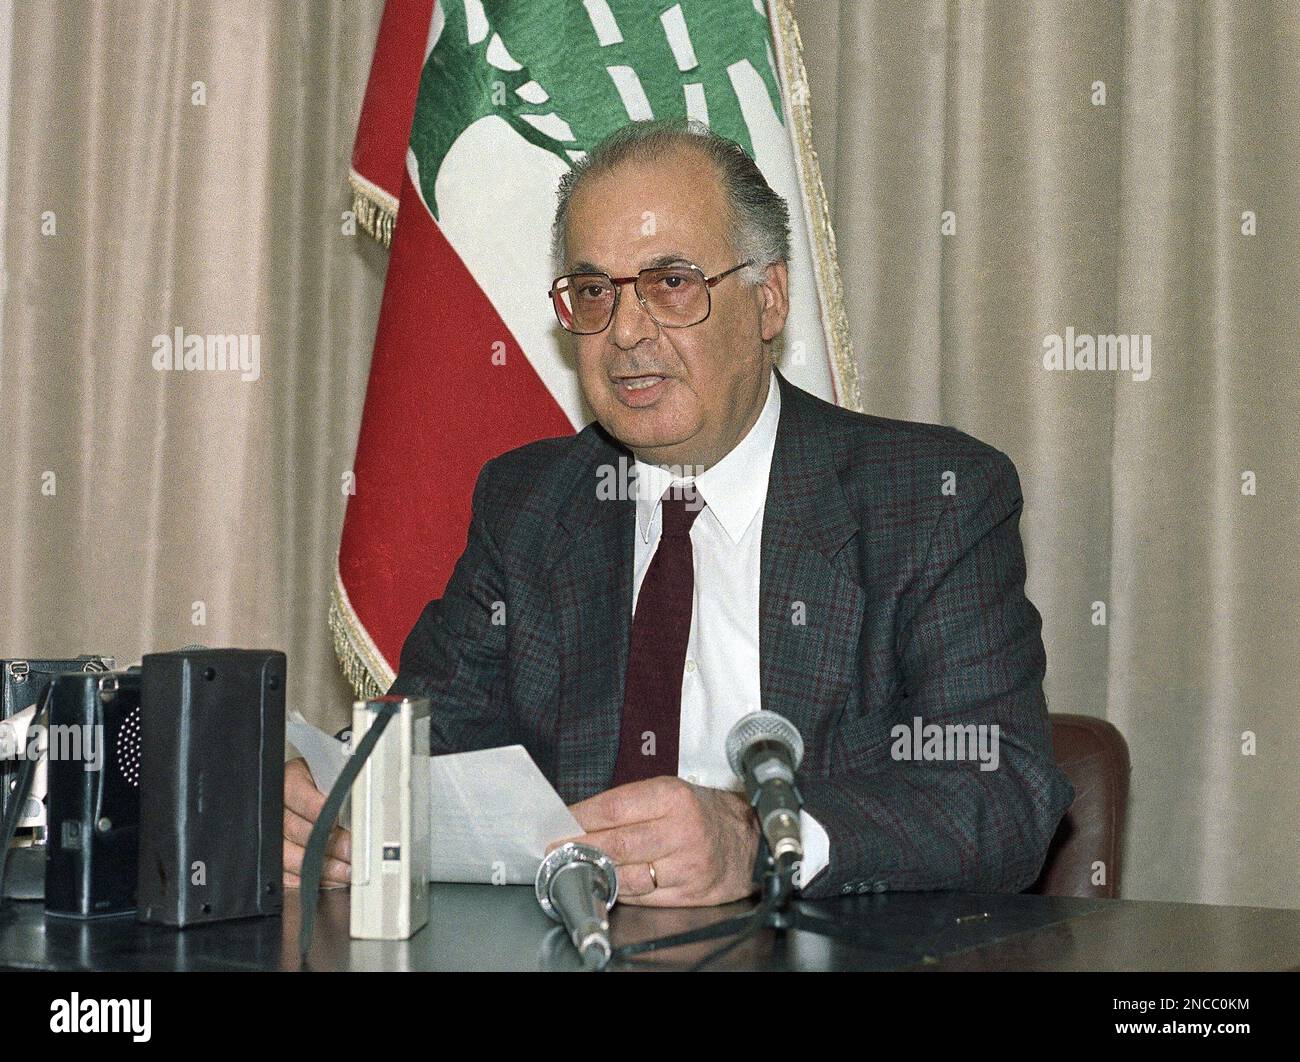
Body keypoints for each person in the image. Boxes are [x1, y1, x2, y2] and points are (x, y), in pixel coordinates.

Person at [283, 118, 1074, 907]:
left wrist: (761, 842)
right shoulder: (530, 505)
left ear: (768, 301)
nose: (625, 331)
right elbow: (435, 734)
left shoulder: (929, 498)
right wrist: (336, 793)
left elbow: (1003, 792)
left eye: (670, 283)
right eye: (593, 291)